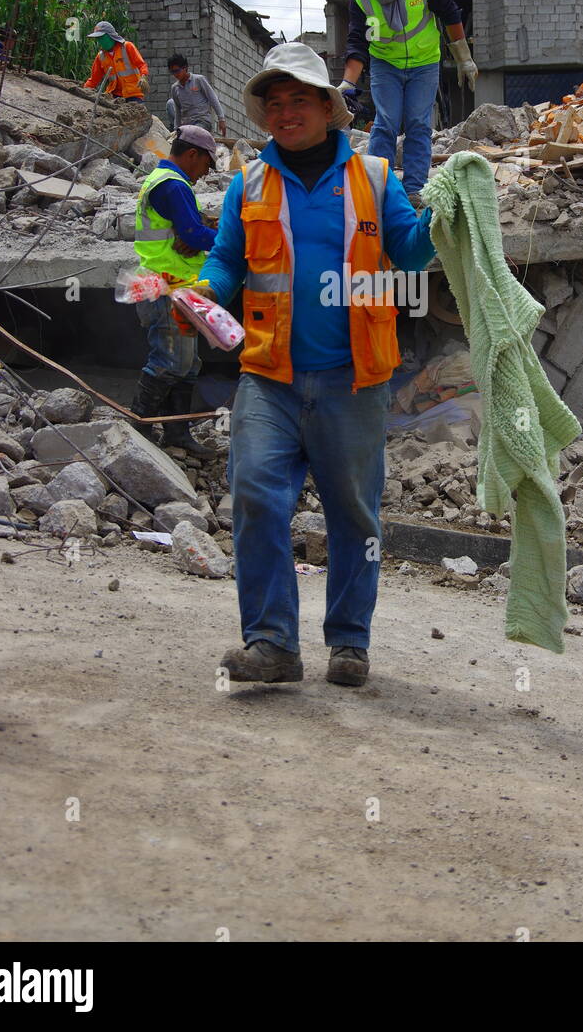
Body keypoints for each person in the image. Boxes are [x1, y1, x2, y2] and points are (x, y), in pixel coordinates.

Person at [198, 41, 435, 687]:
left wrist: (443, 214)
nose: (284, 111)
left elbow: (411, 256)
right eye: (274, 102)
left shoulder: (375, 179)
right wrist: (203, 290)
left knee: (355, 515)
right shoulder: (250, 182)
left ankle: (350, 642)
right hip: (269, 377)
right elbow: (227, 259)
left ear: (329, 108)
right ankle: (273, 644)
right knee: (254, 497)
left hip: (354, 381)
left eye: (299, 99)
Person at [338, 0, 478, 206]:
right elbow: (357, 42)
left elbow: (450, 14)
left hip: (424, 61)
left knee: (417, 123)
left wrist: (464, 58)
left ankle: (414, 190)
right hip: (385, 63)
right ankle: (379, 189)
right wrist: (347, 84)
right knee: (386, 122)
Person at [130, 124, 219, 455]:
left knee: (187, 362)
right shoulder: (172, 185)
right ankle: (139, 427)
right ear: (192, 155)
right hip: (166, 287)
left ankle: (177, 433)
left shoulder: (167, 182)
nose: (205, 173)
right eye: (207, 165)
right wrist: (225, 238)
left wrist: (198, 231)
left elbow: (192, 233)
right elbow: (193, 235)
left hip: (176, 286)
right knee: (170, 361)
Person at [83, 20, 149, 101]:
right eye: (98, 38)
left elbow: (141, 65)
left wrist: (143, 77)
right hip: (113, 95)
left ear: (110, 36)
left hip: (133, 94)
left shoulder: (127, 47)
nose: (100, 41)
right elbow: (93, 80)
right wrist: (84, 91)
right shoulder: (101, 56)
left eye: (102, 38)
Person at [165, 54, 227, 136]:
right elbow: (177, 111)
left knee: (193, 134)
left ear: (185, 68)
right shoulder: (175, 88)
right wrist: (176, 129)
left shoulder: (198, 80)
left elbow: (213, 99)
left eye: (177, 71)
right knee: (170, 103)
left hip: (202, 121)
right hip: (187, 124)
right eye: (173, 72)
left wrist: (221, 119)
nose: (175, 74)